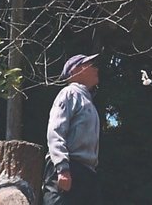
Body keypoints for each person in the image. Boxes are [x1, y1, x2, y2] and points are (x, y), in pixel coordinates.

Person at [43, 52, 102, 204]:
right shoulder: (69, 93)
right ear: (75, 71)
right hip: (68, 166)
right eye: (89, 65)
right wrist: (63, 168)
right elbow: (55, 131)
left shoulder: (88, 100)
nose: (95, 69)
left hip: (86, 171)